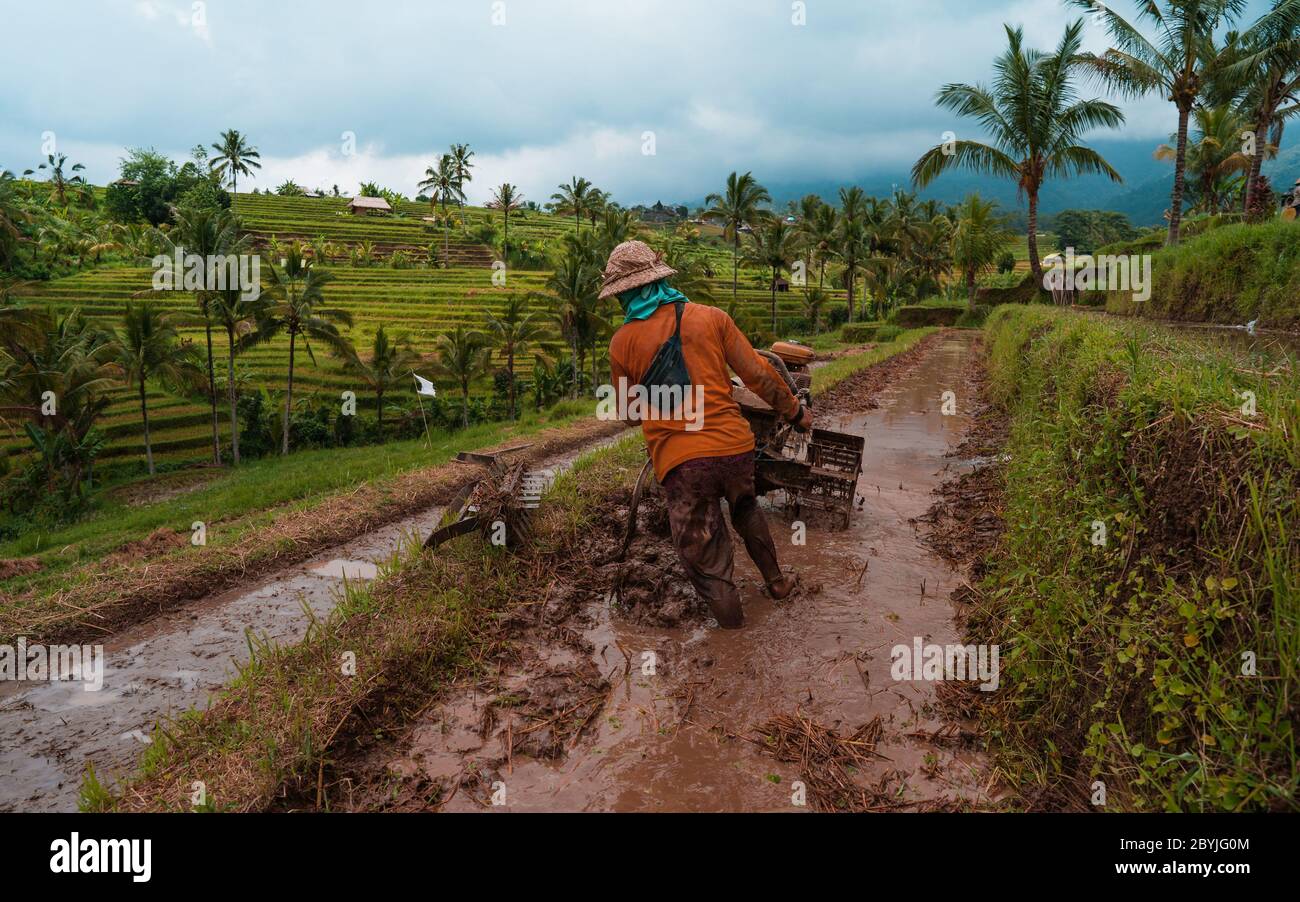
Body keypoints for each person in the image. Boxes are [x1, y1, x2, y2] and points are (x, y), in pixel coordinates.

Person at [602, 240, 813, 628]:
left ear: (625, 294)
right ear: (659, 280)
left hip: (684, 465)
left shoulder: (621, 343)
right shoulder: (711, 317)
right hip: (735, 448)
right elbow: (758, 375)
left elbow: (629, 415)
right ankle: (778, 585)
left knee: (708, 556)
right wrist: (797, 412)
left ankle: (735, 643)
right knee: (746, 508)